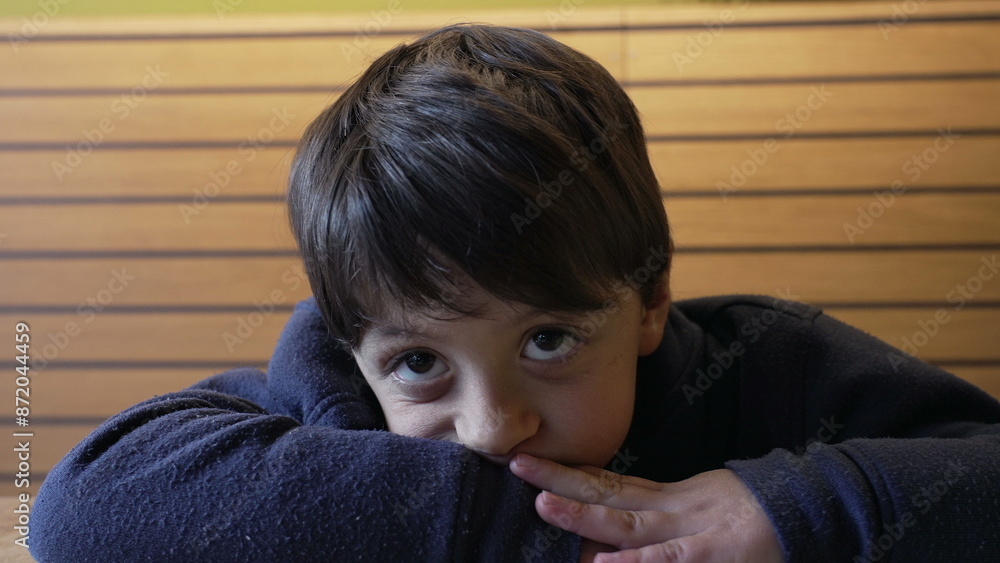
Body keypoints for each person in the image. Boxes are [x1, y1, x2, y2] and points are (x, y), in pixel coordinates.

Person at [30, 23, 1000, 562]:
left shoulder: (769, 366)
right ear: (357, 346)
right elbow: (81, 513)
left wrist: (795, 507)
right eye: (419, 363)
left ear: (650, 297)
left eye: (547, 340)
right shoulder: (324, 399)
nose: (492, 426)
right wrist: (544, 535)